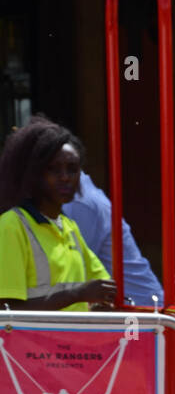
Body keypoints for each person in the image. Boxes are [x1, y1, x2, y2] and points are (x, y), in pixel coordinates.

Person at [0, 116, 116, 311]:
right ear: (33, 174)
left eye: (72, 169)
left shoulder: (70, 227)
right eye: (53, 169)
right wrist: (76, 294)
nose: (65, 177)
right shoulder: (11, 226)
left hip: (74, 341)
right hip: (31, 342)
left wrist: (100, 303)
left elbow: (101, 284)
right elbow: (5, 309)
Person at [62, 137, 163, 308]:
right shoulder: (72, 198)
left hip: (140, 312)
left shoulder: (81, 202)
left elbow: (71, 273)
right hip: (122, 309)